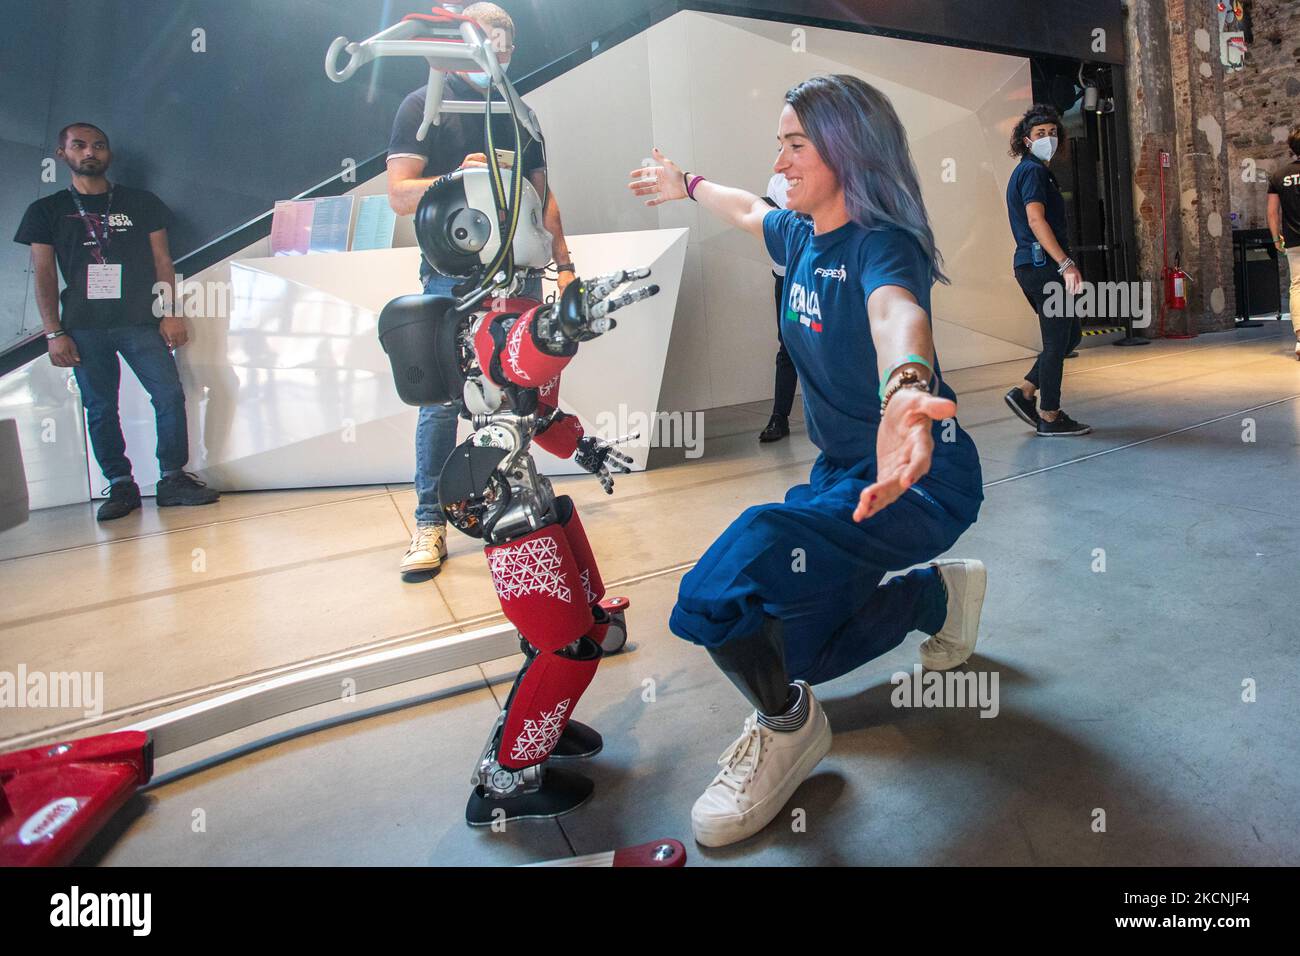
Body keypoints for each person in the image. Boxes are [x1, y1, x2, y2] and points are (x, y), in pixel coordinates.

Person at [629, 74, 986, 848]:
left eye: (796, 144)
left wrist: (907, 389)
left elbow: (899, 312)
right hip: (844, 479)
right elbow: (744, 207)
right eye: (780, 144)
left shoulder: (882, 245)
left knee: (727, 581)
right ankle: (934, 600)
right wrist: (685, 183)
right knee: (796, 651)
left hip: (917, 478)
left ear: (848, 151)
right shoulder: (797, 235)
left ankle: (788, 730)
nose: (781, 160)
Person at [385, 1, 576, 579]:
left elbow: (543, 198)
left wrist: (565, 265)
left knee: (515, 395)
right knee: (444, 400)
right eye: (482, 40)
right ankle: (429, 523)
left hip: (515, 273)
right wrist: (457, 177)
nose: (494, 51)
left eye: (502, 43)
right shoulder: (424, 107)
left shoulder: (521, 113)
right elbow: (399, 193)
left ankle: (505, 502)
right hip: (449, 274)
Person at [13, 123, 219, 521]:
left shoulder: (141, 203)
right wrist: (54, 333)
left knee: (168, 395)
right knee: (101, 407)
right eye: (79, 145)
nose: (90, 152)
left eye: (98, 146)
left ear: (108, 154)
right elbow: (43, 274)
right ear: (62, 153)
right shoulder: (47, 211)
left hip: (140, 320)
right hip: (83, 327)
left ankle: (172, 478)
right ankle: (120, 484)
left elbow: (163, 260)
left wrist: (170, 311)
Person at [1002, 104, 1091, 437]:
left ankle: (1025, 391)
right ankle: (1050, 416)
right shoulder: (1033, 172)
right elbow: (1036, 219)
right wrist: (1065, 263)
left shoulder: (1034, 171)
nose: (1049, 138)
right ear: (1026, 140)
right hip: (1042, 266)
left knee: (1071, 336)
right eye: (1041, 134)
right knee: (1056, 342)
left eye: (1053, 133)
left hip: (1034, 265)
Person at [759, 172, 798, 443]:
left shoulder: (824, 171)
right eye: (780, 145)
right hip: (784, 278)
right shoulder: (775, 182)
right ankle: (779, 418)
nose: (782, 156)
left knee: (826, 343)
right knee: (788, 345)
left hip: (814, 273)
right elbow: (771, 229)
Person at [1267, 125, 1300, 360]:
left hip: (1293, 240)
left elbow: (1272, 212)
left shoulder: (1279, 176)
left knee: (1297, 286)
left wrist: (1276, 238)